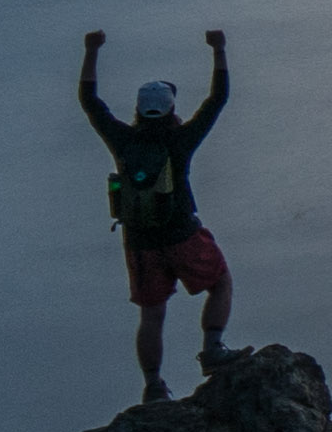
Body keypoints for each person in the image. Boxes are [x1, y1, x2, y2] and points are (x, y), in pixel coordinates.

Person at [80, 24, 237, 396]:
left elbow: (90, 101)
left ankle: (153, 387)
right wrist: (219, 50)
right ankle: (213, 349)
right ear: (171, 109)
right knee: (220, 282)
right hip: (182, 231)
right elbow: (217, 99)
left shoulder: (122, 139)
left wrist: (92, 50)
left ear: (138, 109)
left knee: (151, 314)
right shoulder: (181, 140)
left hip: (139, 242)